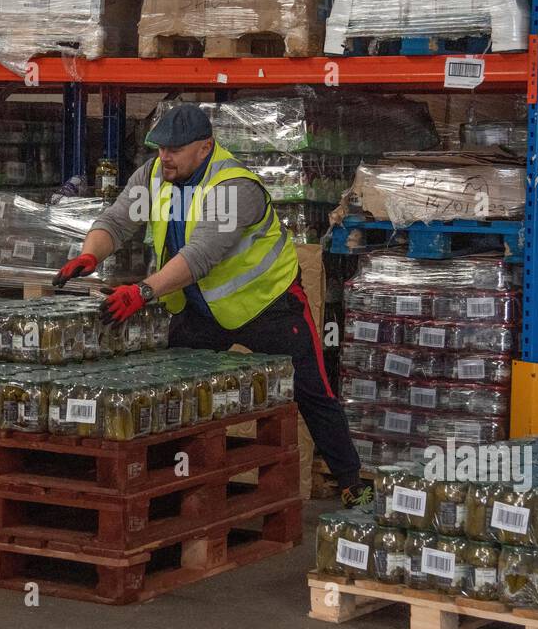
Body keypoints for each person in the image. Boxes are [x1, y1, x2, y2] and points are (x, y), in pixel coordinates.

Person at [54, 102, 370, 508]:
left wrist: (142, 292)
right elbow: (116, 222)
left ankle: (350, 480)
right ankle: (166, 486)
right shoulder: (154, 176)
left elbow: (200, 255)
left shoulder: (234, 187)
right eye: (160, 148)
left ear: (205, 147)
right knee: (170, 391)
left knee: (312, 391)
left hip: (269, 306)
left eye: (174, 149)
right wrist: (90, 255)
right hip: (201, 310)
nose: (164, 157)